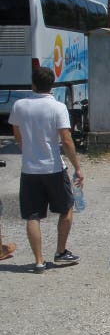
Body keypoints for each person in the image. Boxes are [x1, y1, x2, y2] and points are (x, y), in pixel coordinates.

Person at [9, 66, 83, 273]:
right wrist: (77, 167)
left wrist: (27, 150)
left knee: (33, 216)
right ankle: (60, 251)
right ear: (52, 85)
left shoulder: (19, 106)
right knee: (67, 208)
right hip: (53, 168)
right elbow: (66, 140)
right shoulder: (58, 107)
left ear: (33, 84)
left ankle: (39, 261)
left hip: (29, 169)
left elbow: (17, 133)